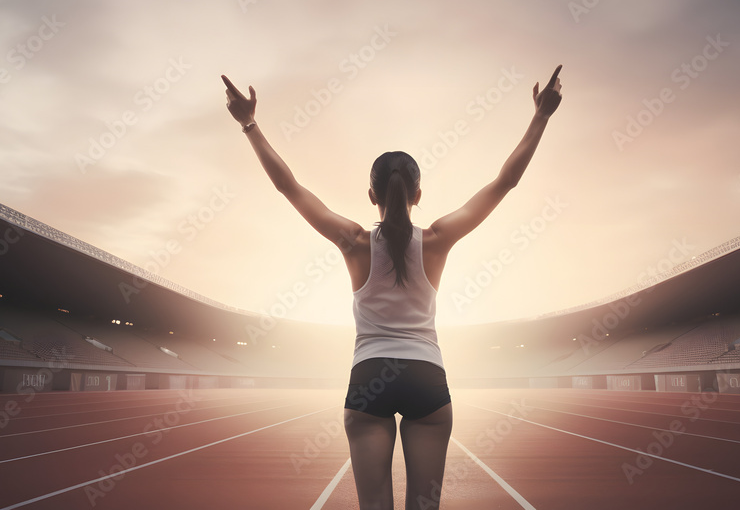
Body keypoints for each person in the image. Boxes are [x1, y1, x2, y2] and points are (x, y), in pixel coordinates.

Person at [222, 65, 562, 509]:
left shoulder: (353, 241)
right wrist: (542, 116)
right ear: (417, 194)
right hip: (427, 378)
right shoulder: (438, 239)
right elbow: (505, 182)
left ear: (371, 195)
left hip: (369, 379)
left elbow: (289, 187)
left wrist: (249, 123)